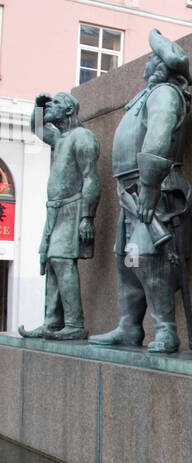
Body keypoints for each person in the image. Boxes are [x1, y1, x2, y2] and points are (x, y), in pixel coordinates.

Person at [91, 30, 192, 354]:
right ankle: (129, 326)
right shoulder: (143, 97)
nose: (148, 64)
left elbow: (159, 139)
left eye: (154, 59)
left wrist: (149, 186)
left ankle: (165, 329)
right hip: (129, 193)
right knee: (125, 258)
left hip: (155, 189)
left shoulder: (165, 94)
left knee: (149, 258)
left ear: (162, 67)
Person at [18, 92, 99, 340]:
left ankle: (74, 325)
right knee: (52, 262)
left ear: (67, 111)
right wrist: (38, 107)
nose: (49, 108)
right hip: (55, 209)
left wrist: (87, 216)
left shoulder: (83, 137)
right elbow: (38, 128)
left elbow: (91, 178)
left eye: (54, 105)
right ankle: (52, 322)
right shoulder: (60, 138)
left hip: (73, 208)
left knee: (62, 260)